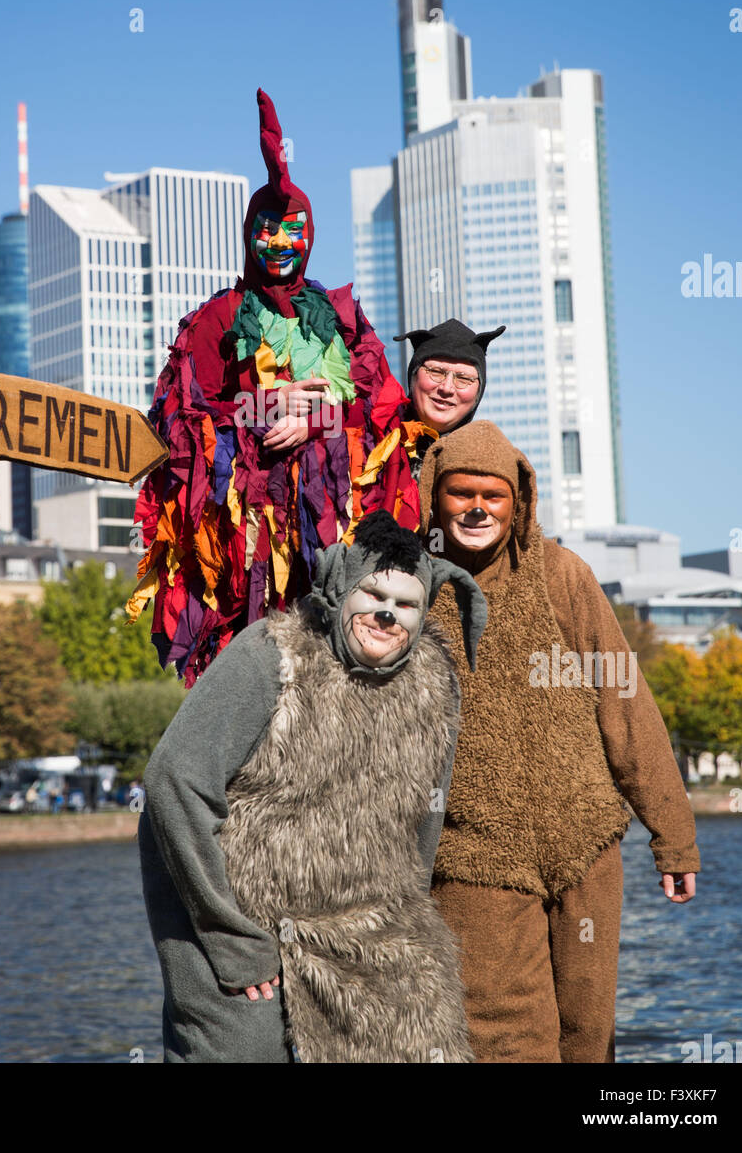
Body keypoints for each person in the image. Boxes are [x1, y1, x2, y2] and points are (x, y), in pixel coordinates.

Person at [137, 510, 488, 1063]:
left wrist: (404, 918)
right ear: (341, 590)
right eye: (373, 595)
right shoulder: (269, 656)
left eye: (406, 604)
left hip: (368, 929)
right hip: (246, 924)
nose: (387, 614)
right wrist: (229, 938)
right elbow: (174, 785)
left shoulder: (435, 682)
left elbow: (426, 816)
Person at [417, 421, 700, 1063]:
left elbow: (625, 704)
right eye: (462, 494)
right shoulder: (409, 586)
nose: (478, 508)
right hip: (473, 859)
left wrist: (674, 836)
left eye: (494, 496)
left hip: (585, 845)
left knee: (589, 1030)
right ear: (435, 496)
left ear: (520, 503)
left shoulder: (562, 576)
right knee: (502, 1040)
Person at [125, 89, 417, 687]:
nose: (280, 243)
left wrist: (316, 421)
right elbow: (180, 422)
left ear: (310, 234)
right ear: (248, 233)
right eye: (267, 229)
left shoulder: (342, 320)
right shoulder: (215, 318)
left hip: (332, 538)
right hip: (244, 543)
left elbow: (379, 412)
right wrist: (259, 409)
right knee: (254, 685)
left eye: (293, 229)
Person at [356, 320, 506, 518]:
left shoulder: (491, 464)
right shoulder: (366, 439)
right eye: (435, 372)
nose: (447, 388)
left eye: (463, 379)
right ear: (413, 376)